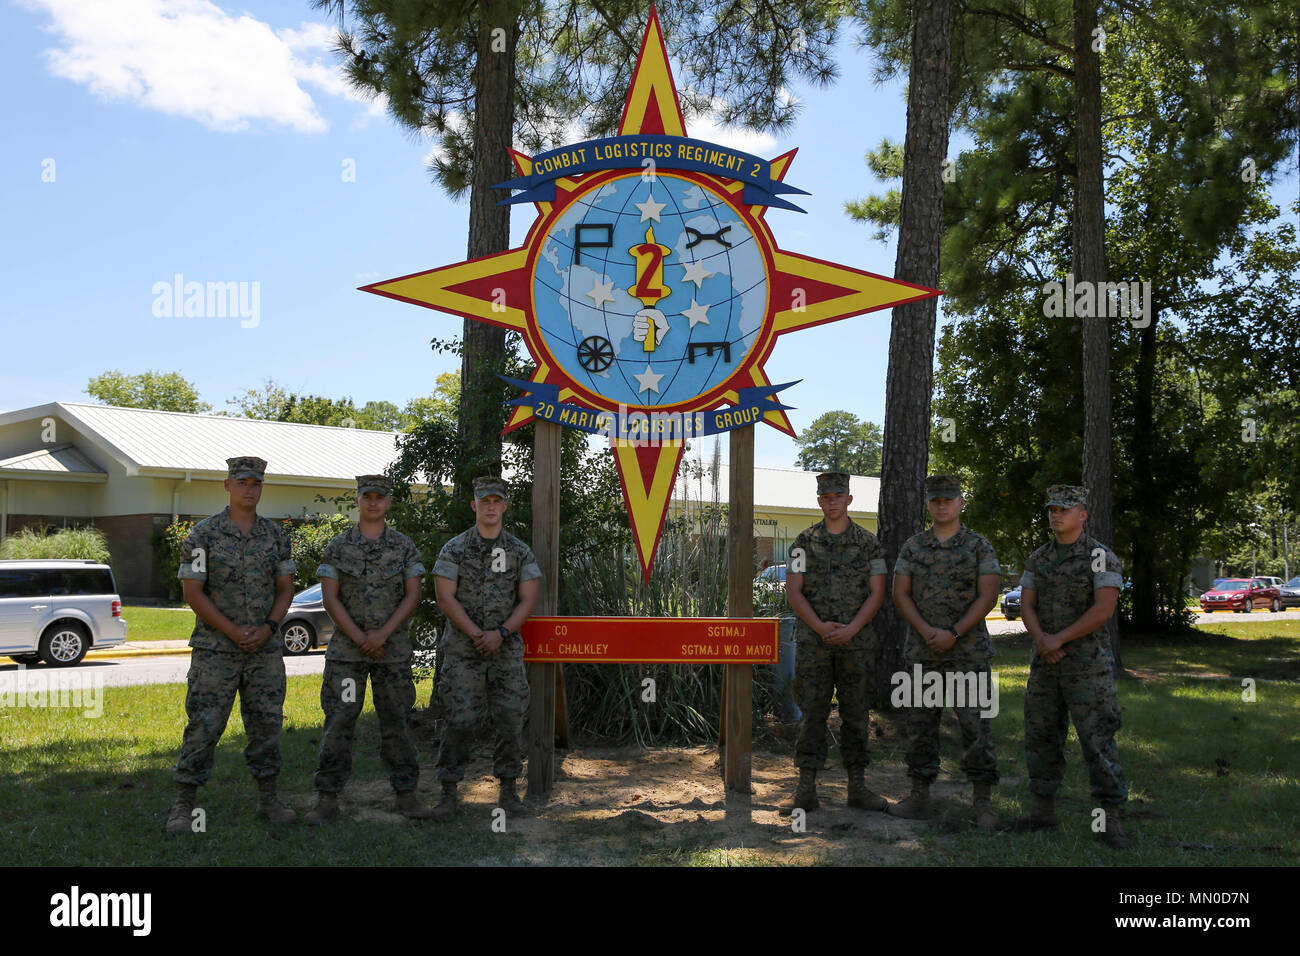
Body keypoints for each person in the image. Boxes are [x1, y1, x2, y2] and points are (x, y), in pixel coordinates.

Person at [166, 456, 296, 833]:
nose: (249, 489)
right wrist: (232, 630)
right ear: (227, 485)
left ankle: (269, 798)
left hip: (264, 651)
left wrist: (270, 627)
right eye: (242, 482)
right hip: (215, 651)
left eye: (255, 483)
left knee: (267, 724)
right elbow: (193, 592)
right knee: (204, 726)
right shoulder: (202, 536)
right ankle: (184, 803)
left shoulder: (276, 536)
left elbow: (285, 588)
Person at [305, 475, 432, 823]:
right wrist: (360, 637)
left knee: (397, 722)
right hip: (348, 655)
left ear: (389, 502)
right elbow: (330, 596)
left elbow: (413, 594)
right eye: (367, 496)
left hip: (391, 653)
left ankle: (406, 794)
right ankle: (327, 798)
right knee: (340, 721)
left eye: (380, 497)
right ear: (357, 501)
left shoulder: (404, 547)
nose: (373, 502)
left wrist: (382, 635)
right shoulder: (338, 546)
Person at [1016, 484, 1129, 848]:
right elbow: (1027, 605)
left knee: (1097, 740)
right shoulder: (1039, 558)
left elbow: (1103, 610)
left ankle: (1109, 820)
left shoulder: (1100, 556)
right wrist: (1042, 641)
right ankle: (1042, 812)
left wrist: (1058, 639)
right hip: (1046, 665)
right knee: (1041, 737)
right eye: (1052, 509)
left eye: (1064, 509)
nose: (1056, 514)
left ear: (1082, 514)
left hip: (1087, 666)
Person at [888, 475, 1002, 827]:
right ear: (928, 503)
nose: (941, 505)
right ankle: (919, 795)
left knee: (976, 727)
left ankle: (982, 802)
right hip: (924, 653)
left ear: (960, 503)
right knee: (921, 726)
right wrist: (927, 632)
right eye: (936, 500)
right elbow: (900, 594)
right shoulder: (913, 547)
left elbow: (988, 596)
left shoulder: (979, 546)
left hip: (968, 653)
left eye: (948, 499)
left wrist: (953, 633)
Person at [430, 476, 541, 819]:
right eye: (484, 501)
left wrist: (502, 633)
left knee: (509, 720)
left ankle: (508, 791)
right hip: (465, 652)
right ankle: (449, 793)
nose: (491, 507)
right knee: (460, 720)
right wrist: (479, 634)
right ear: (474, 505)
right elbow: (444, 597)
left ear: (504, 506)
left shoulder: (520, 551)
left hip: (505, 652)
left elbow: (528, 599)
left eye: (497, 501)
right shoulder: (454, 549)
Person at [780, 472, 888, 815]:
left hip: (856, 643)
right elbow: (794, 590)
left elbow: (878, 591)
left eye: (838, 495)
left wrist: (852, 628)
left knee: (857, 714)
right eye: (826, 496)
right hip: (815, 643)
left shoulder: (870, 543)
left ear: (849, 499)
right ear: (819, 501)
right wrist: (821, 627)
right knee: (812, 712)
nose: (832, 501)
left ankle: (858, 788)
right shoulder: (803, 542)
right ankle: (805, 790)